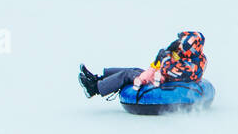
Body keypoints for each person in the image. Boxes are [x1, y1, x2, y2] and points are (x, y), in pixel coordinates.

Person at [79, 31, 207, 99]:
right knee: (133, 70)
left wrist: (165, 57)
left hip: (162, 81)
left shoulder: (193, 65)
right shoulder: (186, 56)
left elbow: (170, 70)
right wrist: (166, 54)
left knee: (127, 75)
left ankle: (94, 88)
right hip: (158, 74)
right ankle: (97, 78)